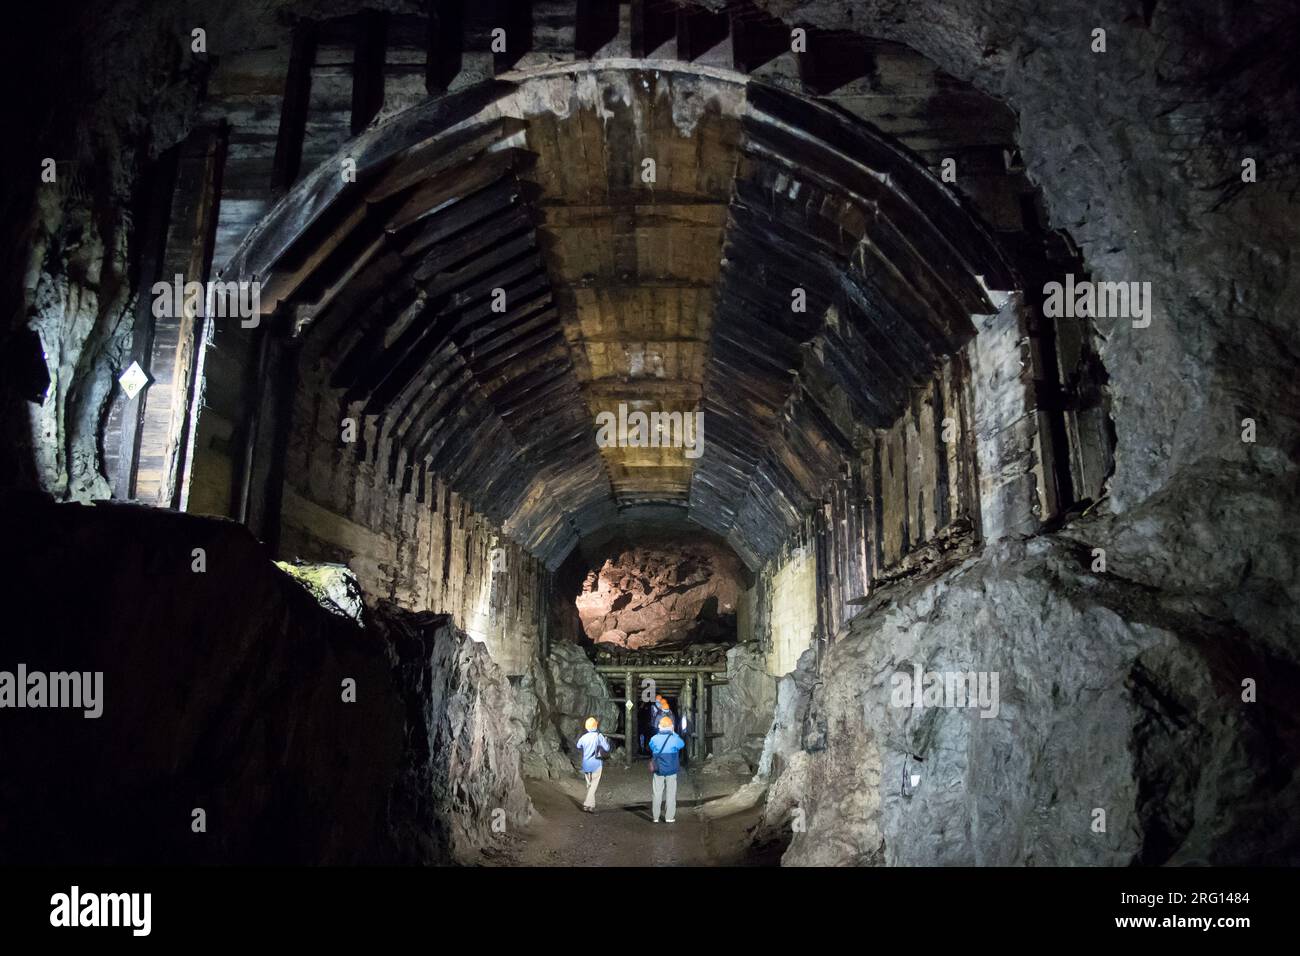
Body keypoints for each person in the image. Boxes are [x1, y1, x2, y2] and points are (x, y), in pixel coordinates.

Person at [648, 714, 686, 824]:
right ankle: (669, 816)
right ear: (671, 726)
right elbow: (682, 744)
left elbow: (651, 746)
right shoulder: (674, 739)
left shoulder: (654, 739)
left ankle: (655, 817)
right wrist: (673, 733)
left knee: (657, 793)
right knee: (671, 793)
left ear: (659, 726)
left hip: (658, 770)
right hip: (671, 771)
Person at [575, 717, 610, 813]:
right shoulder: (599, 736)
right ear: (596, 726)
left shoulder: (584, 737)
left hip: (586, 764)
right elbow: (607, 748)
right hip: (596, 764)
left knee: (589, 785)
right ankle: (586, 804)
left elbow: (578, 745)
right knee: (593, 785)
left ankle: (591, 805)